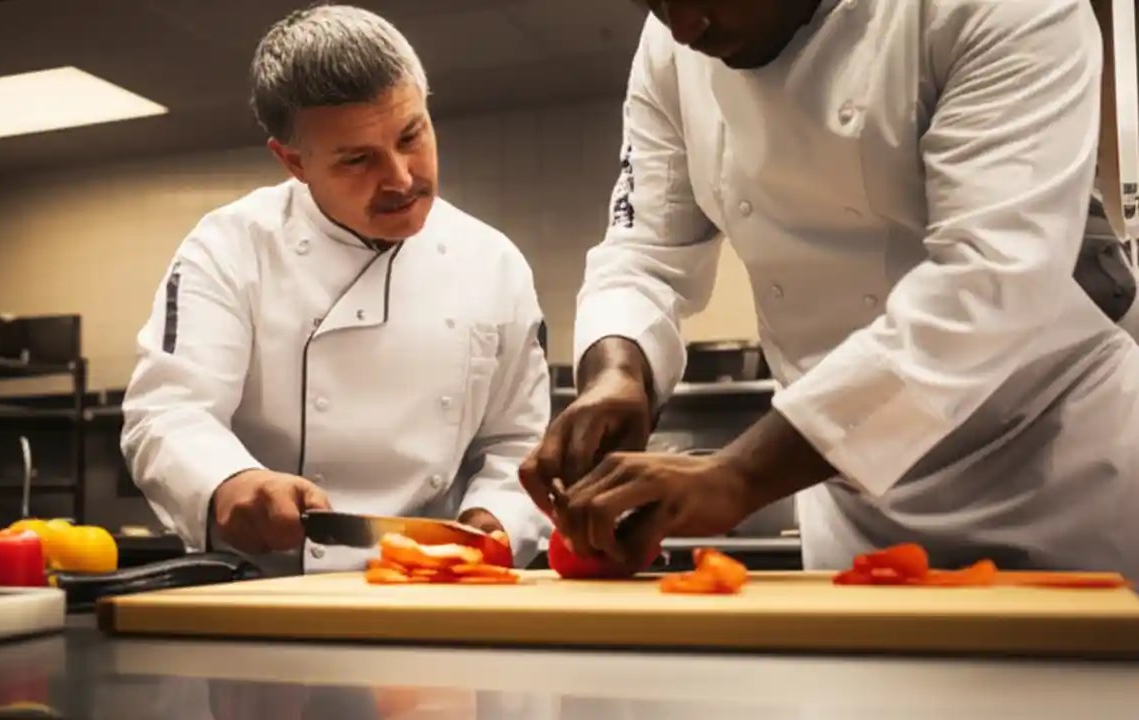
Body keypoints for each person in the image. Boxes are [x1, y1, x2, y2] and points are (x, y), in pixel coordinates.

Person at [521, 0, 1139, 580]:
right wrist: (618, 376)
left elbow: (989, 287)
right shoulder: (670, 52)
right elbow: (641, 253)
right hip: (856, 510)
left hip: (1057, 476)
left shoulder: (998, 9)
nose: (684, 26)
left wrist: (737, 475)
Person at [121, 5, 551, 573]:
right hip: (264, 588)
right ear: (293, 162)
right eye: (358, 159)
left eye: (411, 135)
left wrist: (493, 521)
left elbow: (518, 442)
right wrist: (230, 482)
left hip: (434, 584)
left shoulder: (493, 263)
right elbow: (168, 413)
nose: (400, 177)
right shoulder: (230, 247)